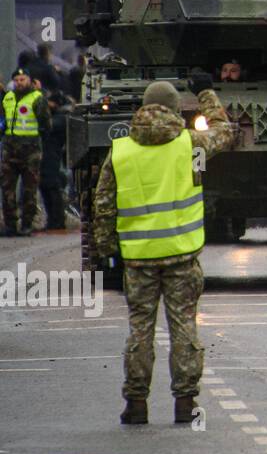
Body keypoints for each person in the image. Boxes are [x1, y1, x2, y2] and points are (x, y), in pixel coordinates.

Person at [93, 70, 239, 425]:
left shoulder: (121, 151)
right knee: (184, 326)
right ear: (175, 109)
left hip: (138, 259)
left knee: (140, 330)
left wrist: (106, 250)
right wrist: (205, 92)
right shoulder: (190, 144)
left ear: (143, 108)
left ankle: (136, 403)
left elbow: (103, 206)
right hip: (181, 255)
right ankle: (185, 401)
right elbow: (225, 131)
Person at [2, 68, 52, 236]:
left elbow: (46, 124)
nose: (19, 83)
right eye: (16, 80)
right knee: (7, 188)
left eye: (22, 79)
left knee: (29, 189)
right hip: (10, 149)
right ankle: (10, 225)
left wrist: (38, 142)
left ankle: (27, 224)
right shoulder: (8, 98)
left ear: (29, 80)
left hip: (30, 150)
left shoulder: (37, 98)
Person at [39, 90, 68, 232]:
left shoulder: (61, 118)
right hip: (45, 154)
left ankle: (58, 220)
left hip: (52, 155)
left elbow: (50, 126)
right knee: (45, 186)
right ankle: (52, 219)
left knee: (52, 186)